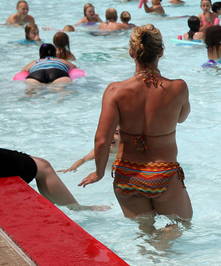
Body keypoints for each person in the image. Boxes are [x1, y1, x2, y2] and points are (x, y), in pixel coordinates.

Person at [79, 25, 192, 224]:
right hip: (162, 173)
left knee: (144, 231)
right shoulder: (178, 87)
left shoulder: (115, 91)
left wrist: (98, 173)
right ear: (161, 52)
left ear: (131, 53)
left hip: (127, 176)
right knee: (180, 225)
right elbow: (182, 118)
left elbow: (102, 140)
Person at [0, 146, 106, 210]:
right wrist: (73, 167)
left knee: (41, 165)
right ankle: (76, 208)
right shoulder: (99, 150)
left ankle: (50, 205)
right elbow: (84, 159)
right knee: (43, 167)